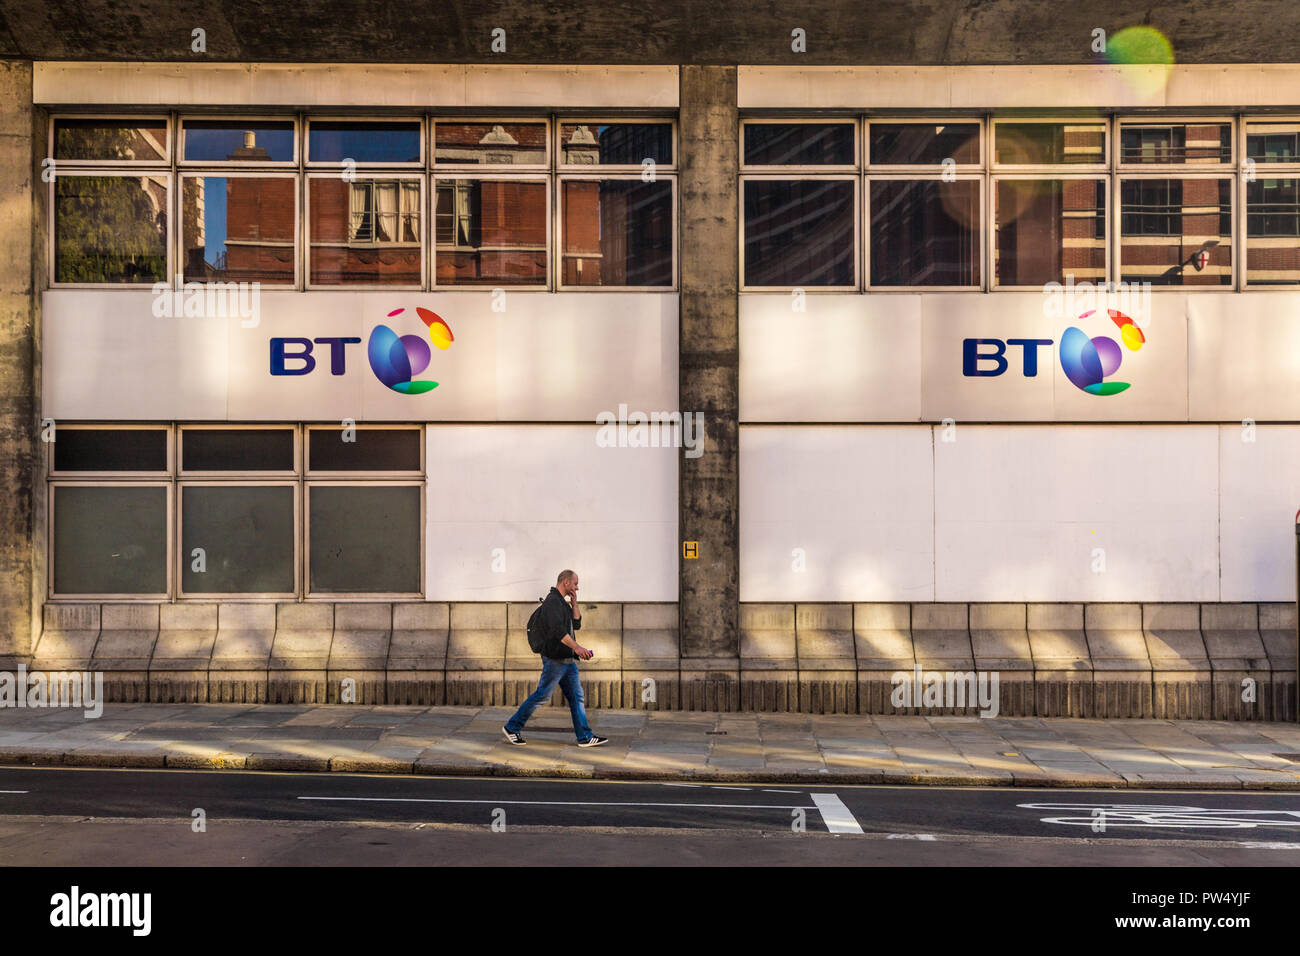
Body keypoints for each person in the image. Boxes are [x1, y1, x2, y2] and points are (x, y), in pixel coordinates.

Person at [503, 569, 608, 747]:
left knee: (576, 697)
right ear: (566, 582)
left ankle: (585, 737)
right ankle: (512, 727)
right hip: (555, 660)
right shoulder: (552, 602)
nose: (577, 587)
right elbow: (558, 632)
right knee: (542, 695)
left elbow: (576, 624)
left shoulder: (562, 602)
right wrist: (578, 648)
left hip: (567, 660)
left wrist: (574, 603)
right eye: (575, 584)